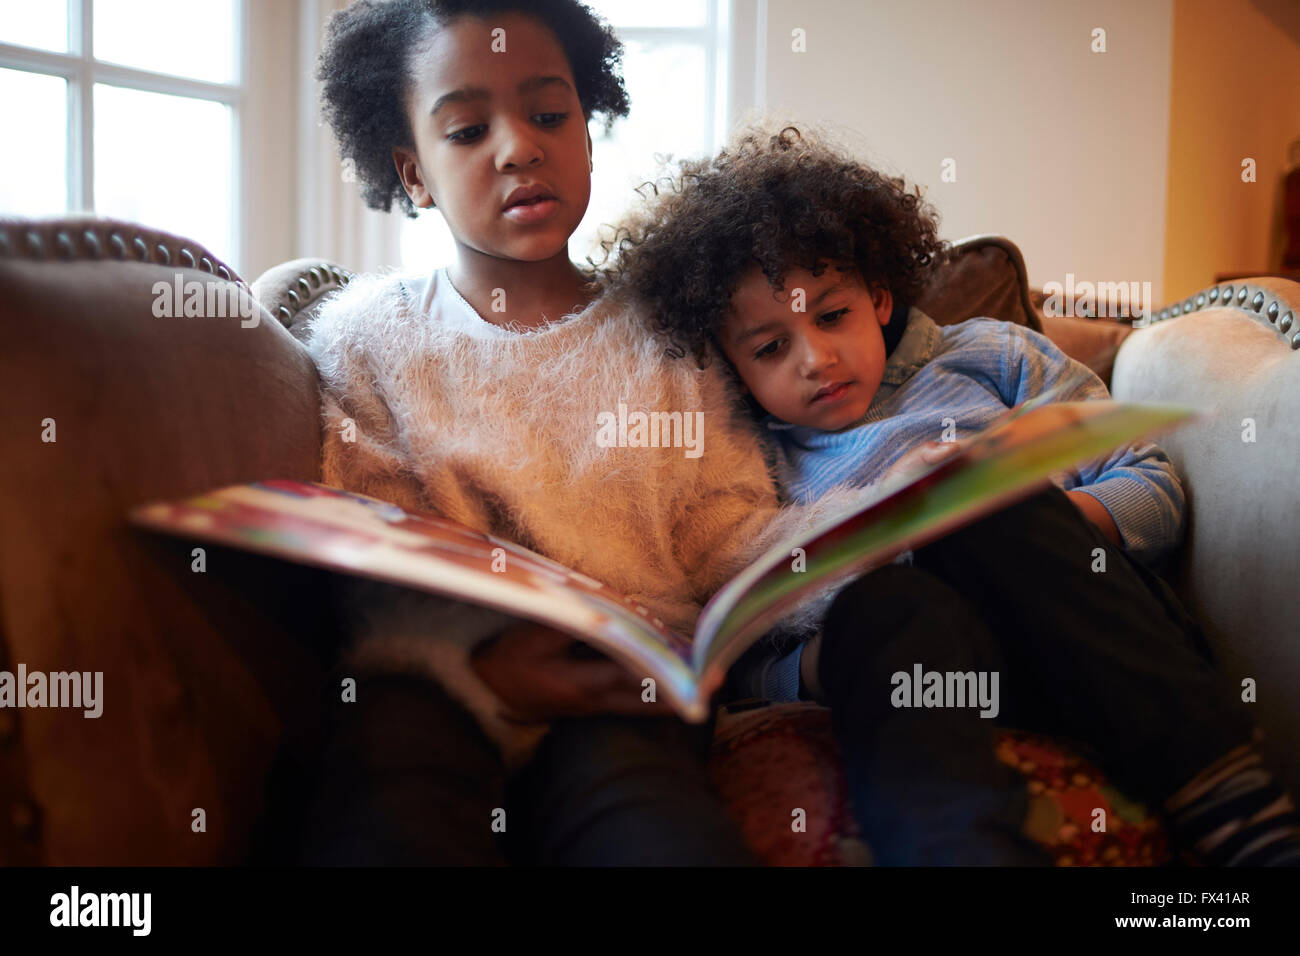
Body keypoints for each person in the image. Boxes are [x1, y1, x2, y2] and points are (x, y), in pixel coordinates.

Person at [607, 123, 1300, 866]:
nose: (816, 358)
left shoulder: (991, 355)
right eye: (771, 347)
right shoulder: (760, 461)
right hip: (936, 673)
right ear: (734, 367)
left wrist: (1029, 518)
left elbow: (1155, 489)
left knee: (971, 499)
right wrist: (818, 662)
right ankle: (956, 847)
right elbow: (749, 647)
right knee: (885, 607)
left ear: (878, 296)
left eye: (832, 315)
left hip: (1097, 646)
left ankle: (1225, 791)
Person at [275, 2, 868, 867]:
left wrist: (873, 531)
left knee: (655, 831)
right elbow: (372, 559)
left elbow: (725, 527)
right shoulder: (367, 340)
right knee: (392, 807)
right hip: (441, 689)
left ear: (587, 131)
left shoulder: (666, 333)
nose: (519, 147)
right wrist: (480, 665)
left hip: (621, 695)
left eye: (550, 114)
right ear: (412, 172)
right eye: (469, 128)